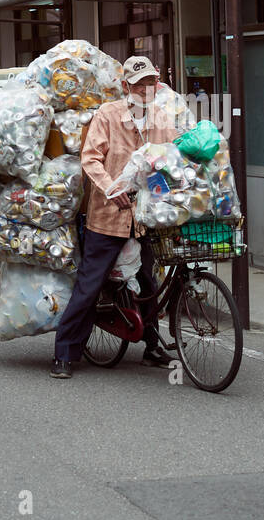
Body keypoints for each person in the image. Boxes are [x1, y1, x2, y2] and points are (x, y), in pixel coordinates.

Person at [50, 55, 180, 380]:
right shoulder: (108, 115)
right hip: (107, 218)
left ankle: (151, 345)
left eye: (150, 82)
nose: (145, 88)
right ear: (126, 86)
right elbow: (90, 158)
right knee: (90, 286)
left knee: (149, 283)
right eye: (138, 83)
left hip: (145, 218)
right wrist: (111, 188)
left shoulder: (161, 118)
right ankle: (65, 353)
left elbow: (173, 157)